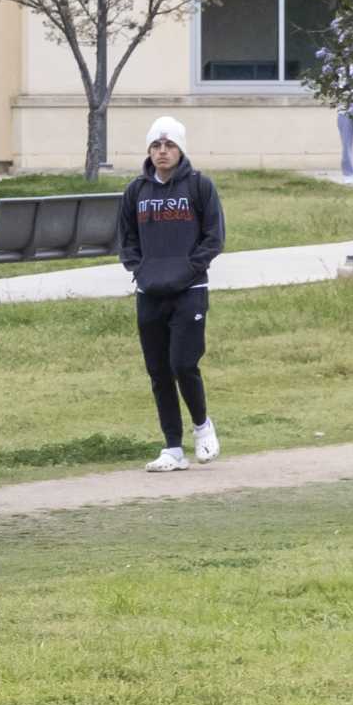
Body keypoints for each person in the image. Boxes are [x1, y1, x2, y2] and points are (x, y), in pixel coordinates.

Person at [118, 117, 226, 474]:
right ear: (149, 150)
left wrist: (189, 270)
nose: (162, 152)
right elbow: (127, 240)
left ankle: (202, 427)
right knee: (159, 371)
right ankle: (172, 448)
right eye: (156, 146)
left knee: (183, 364)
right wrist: (140, 270)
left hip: (190, 291)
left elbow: (214, 238)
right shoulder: (136, 191)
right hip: (150, 292)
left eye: (169, 146)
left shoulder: (199, 186)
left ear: (180, 150)